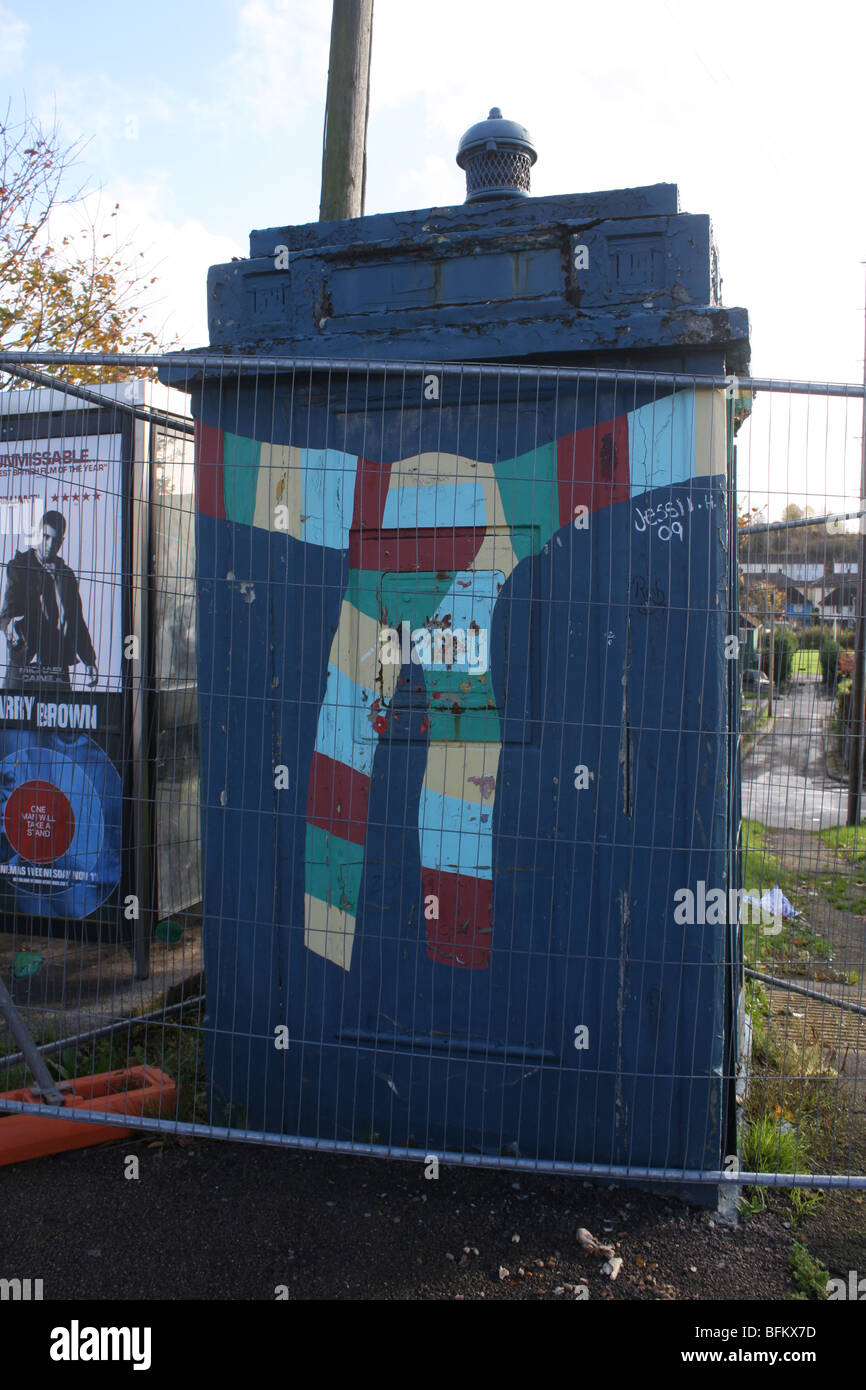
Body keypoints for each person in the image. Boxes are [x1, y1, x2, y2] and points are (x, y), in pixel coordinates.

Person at [0, 510, 98, 692]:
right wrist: (10, 625)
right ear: (37, 534)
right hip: (25, 660)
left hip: (56, 662)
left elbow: (76, 620)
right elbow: (8, 609)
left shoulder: (66, 574)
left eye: (56, 540)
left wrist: (89, 660)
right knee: (17, 719)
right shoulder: (19, 566)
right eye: (45, 537)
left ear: (62, 541)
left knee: (60, 718)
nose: (49, 545)